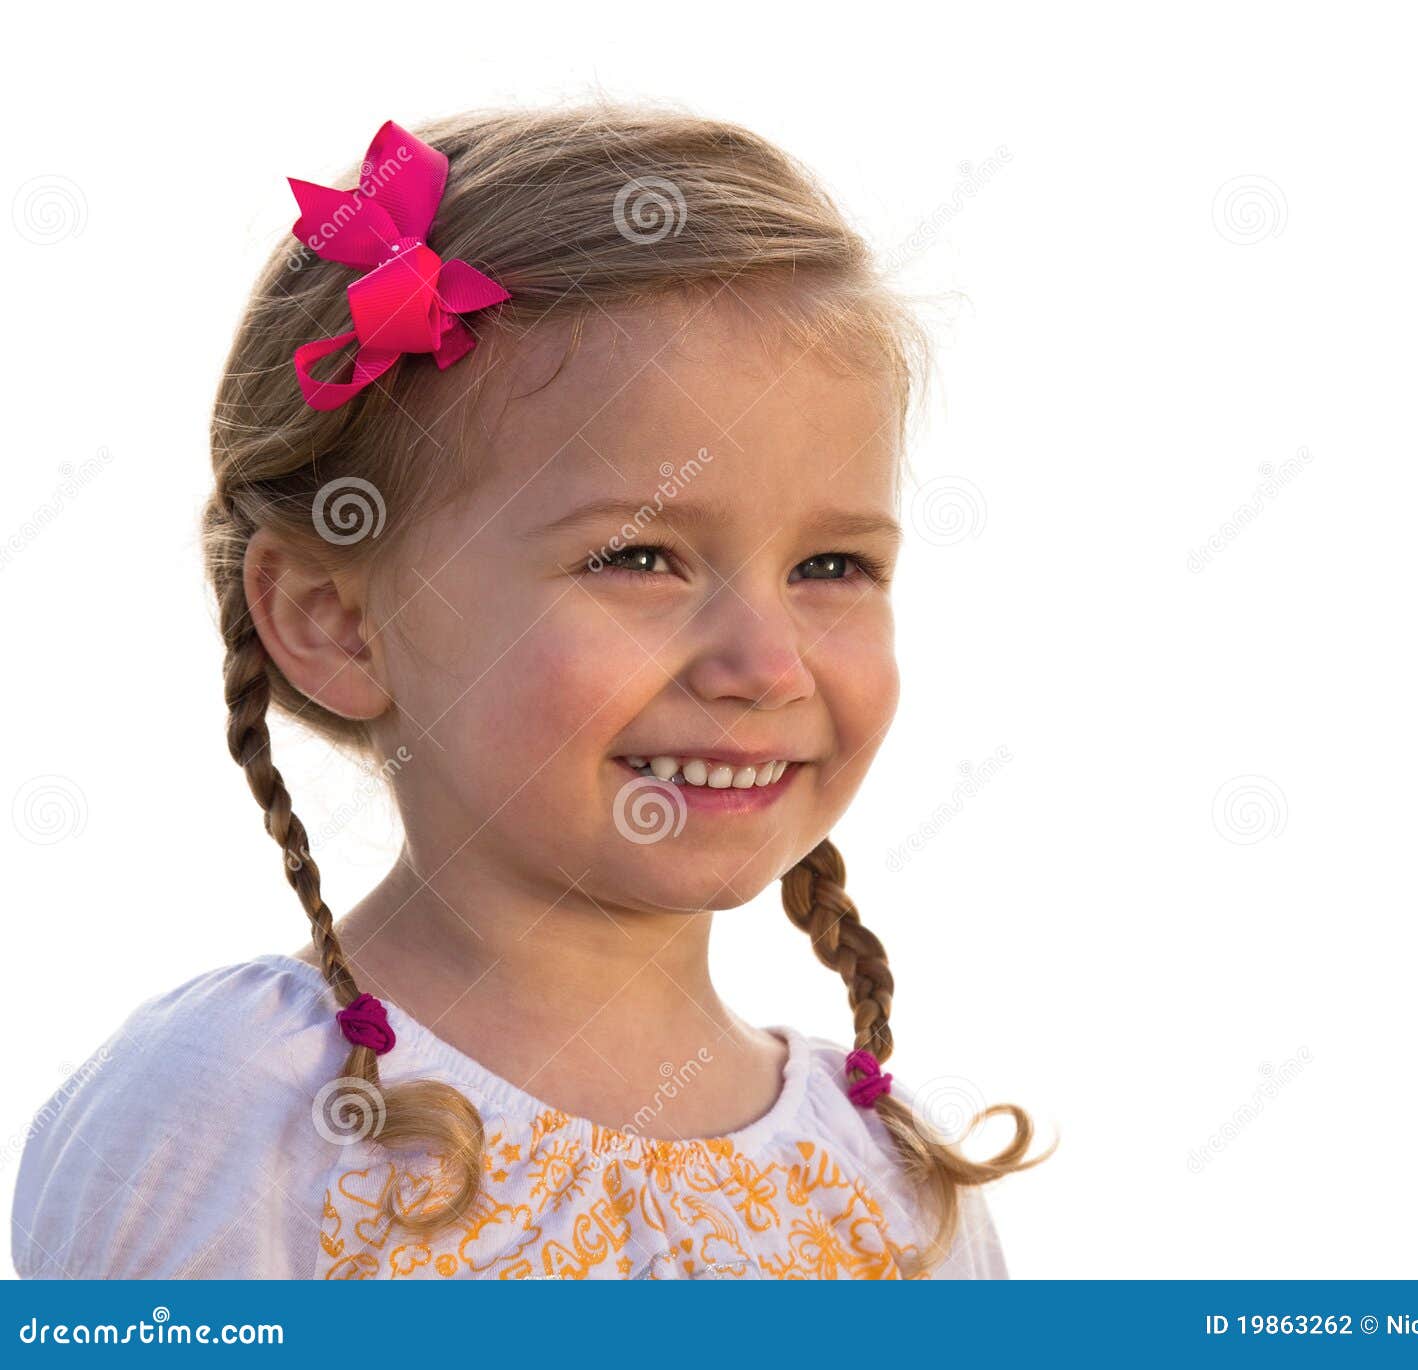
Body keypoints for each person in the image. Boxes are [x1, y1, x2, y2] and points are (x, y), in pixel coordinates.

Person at [11, 105, 1049, 1281]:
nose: (765, 664)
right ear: (334, 618)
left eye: (832, 566)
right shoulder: (233, 1114)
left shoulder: (897, 1193)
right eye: (639, 557)